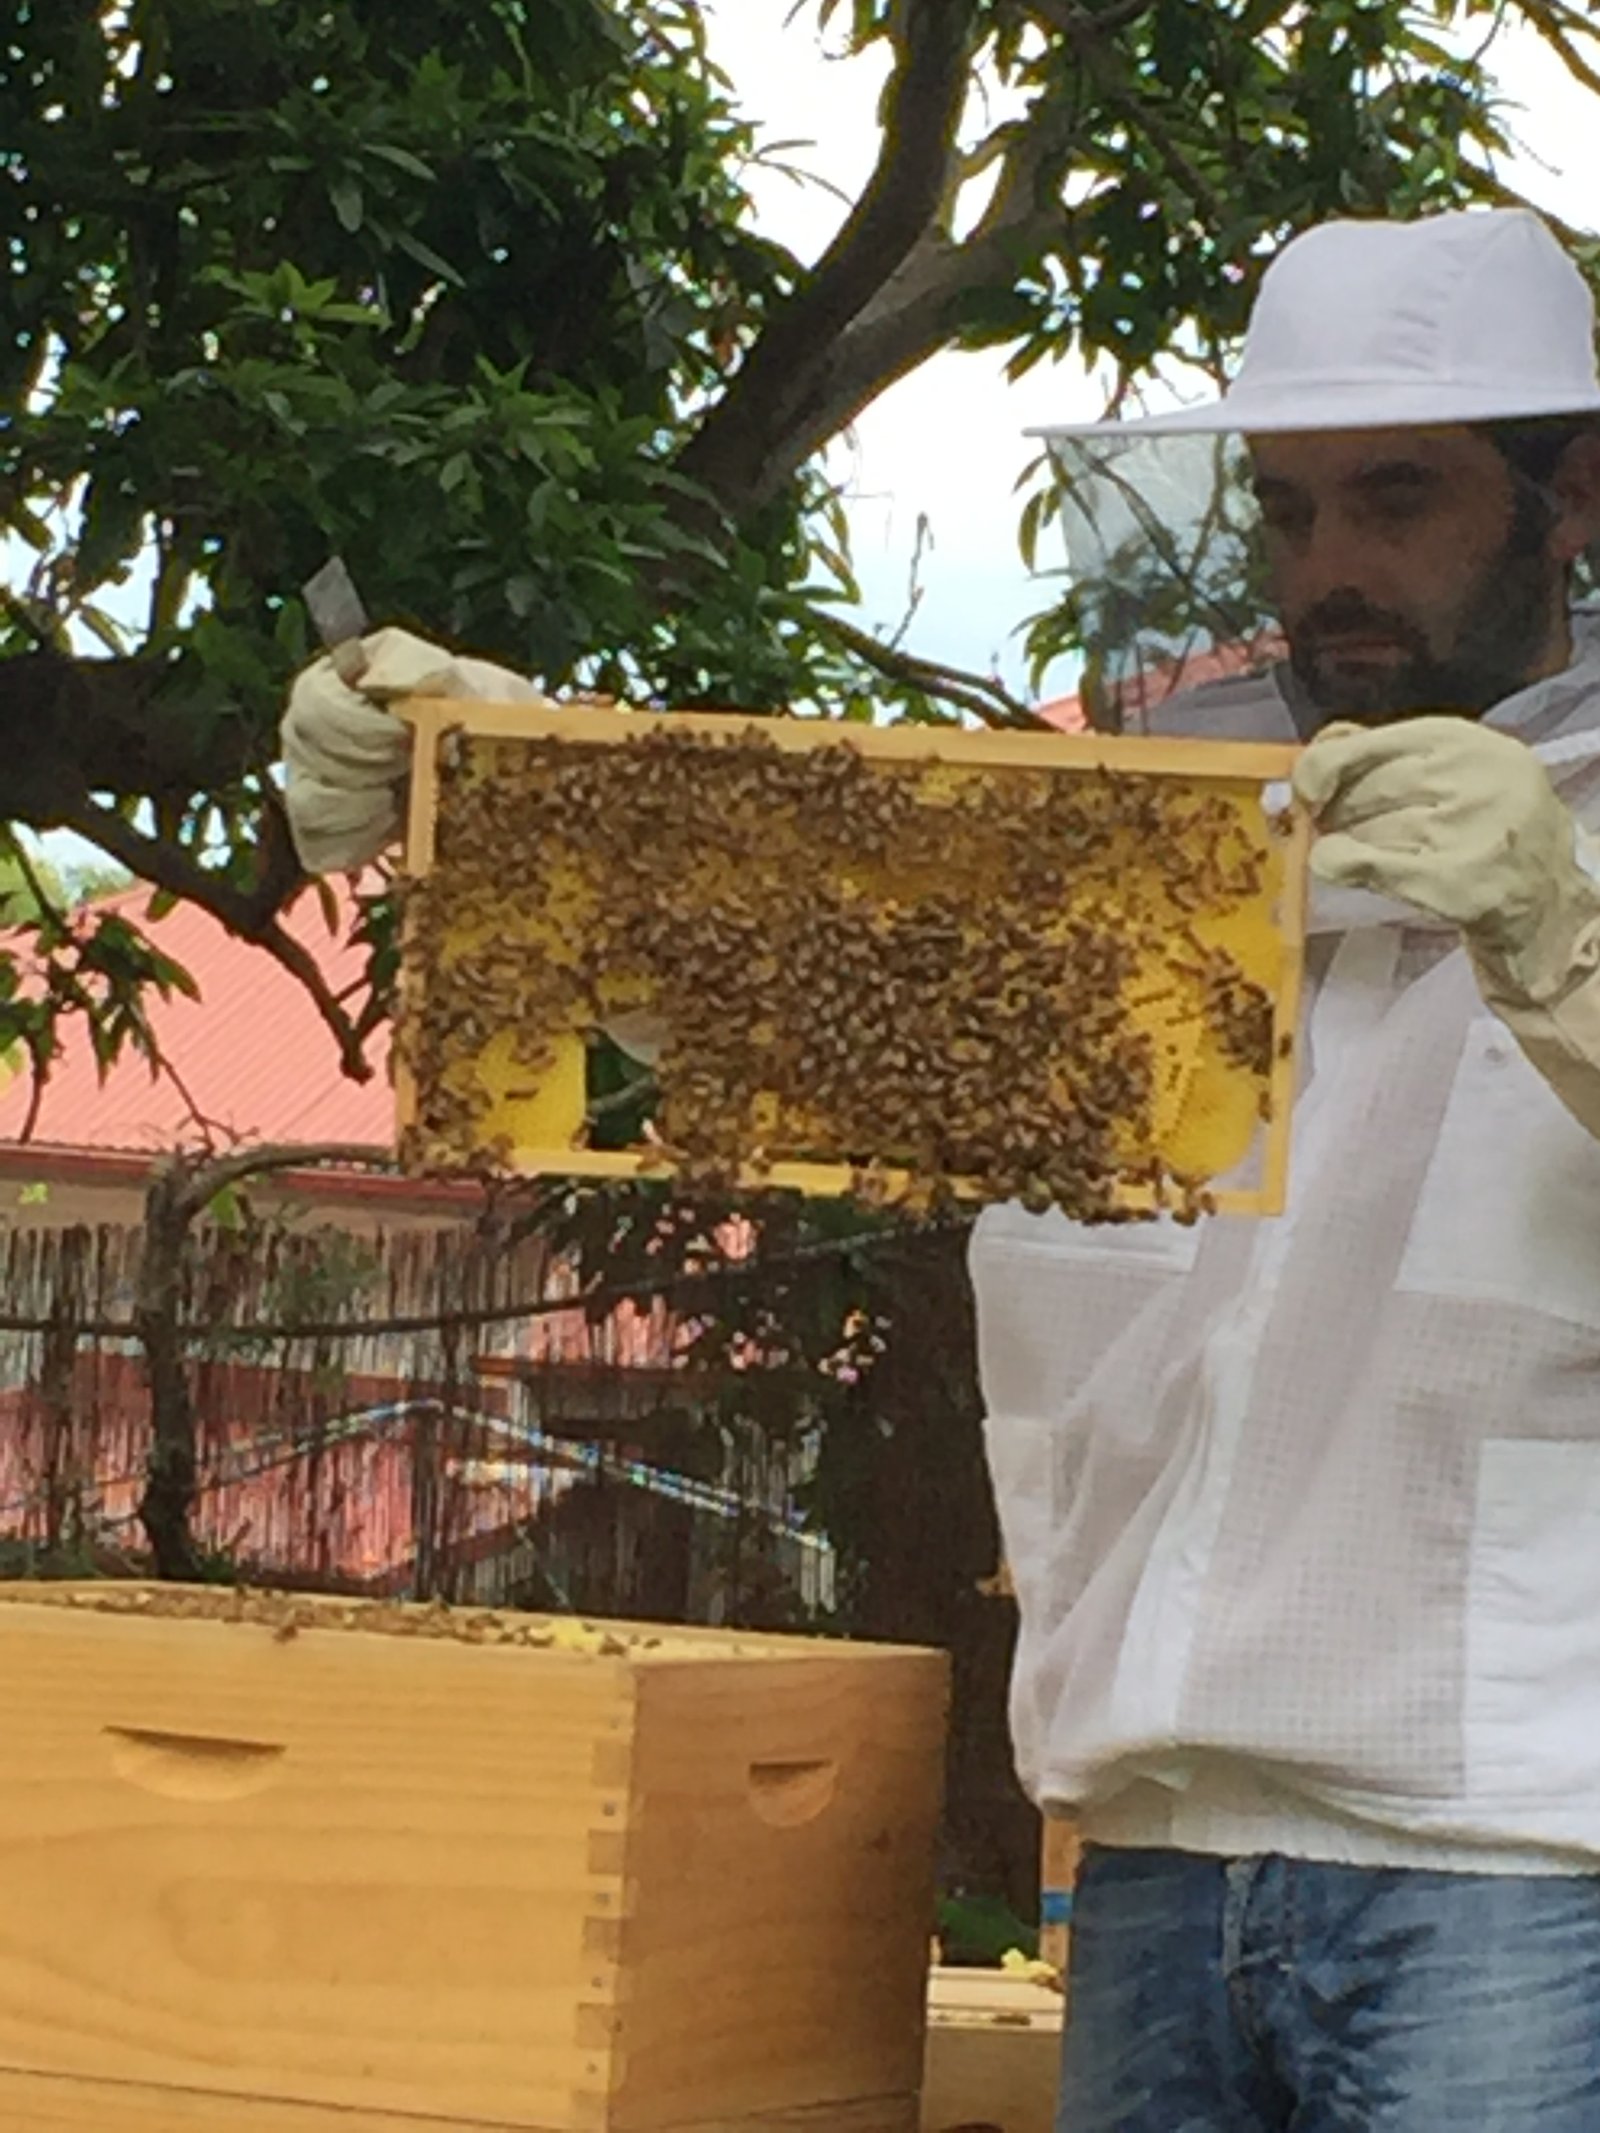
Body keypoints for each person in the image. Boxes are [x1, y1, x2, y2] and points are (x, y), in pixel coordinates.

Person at [282, 206, 1600, 2130]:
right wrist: (504, 801)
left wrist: (1564, 950)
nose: (1335, 573)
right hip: (1153, 1859)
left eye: (1397, 499)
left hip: (1524, 1867)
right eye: (1289, 512)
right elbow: (795, 1027)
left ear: (1571, 498)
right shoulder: (1162, 847)